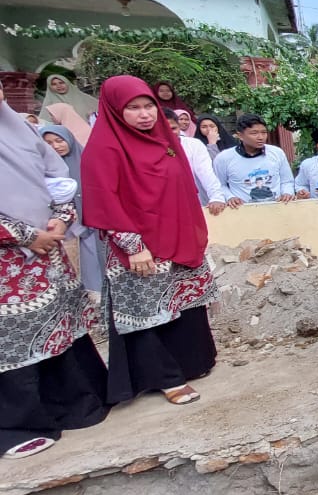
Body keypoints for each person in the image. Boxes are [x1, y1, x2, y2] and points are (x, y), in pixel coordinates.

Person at [82, 75, 218, 406]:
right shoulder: (104, 148)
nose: (145, 115)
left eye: (149, 107)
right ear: (115, 110)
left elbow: (185, 188)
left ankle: (189, 364)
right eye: (133, 108)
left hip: (179, 237)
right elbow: (104, 202)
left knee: (183, 306)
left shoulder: (165, 142)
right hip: (140, 246)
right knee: (146, 314)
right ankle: (164, 379)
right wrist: (133, 247)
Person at [1, 94, 109, 460]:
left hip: (49, 252)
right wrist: (27, 235)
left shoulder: (22, 132)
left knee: (60, 324)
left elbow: (58, 178)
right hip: (7, 262)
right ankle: (19, 425)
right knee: (14, 337)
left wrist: (61, 219)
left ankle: (77, 403)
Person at [39, 123, 106, 295]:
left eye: (59, 140)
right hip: (56, 227)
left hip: (92, 223)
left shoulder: (88, 160)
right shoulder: (40, 168)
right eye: (48, 143)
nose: (55, 146)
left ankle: (99, 295)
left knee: (94, 258)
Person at [212, 114, 296, 207]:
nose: (260, 137)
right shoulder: (224, 158)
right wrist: (230, 197)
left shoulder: (277, 153)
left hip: (277, 209)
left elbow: (287, 181)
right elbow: (219, 185)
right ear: (240, 136)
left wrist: (287, 193)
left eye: (264, 132)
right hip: (242, 212)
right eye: (254, 133)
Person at [163, 109, 226, 215]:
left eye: (173, 128)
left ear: (179, 127)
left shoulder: (193, 145)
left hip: (194, 201)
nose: (170, 133)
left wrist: (216, 196)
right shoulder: (148, 149)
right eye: (164, 129)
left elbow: (206, 173)